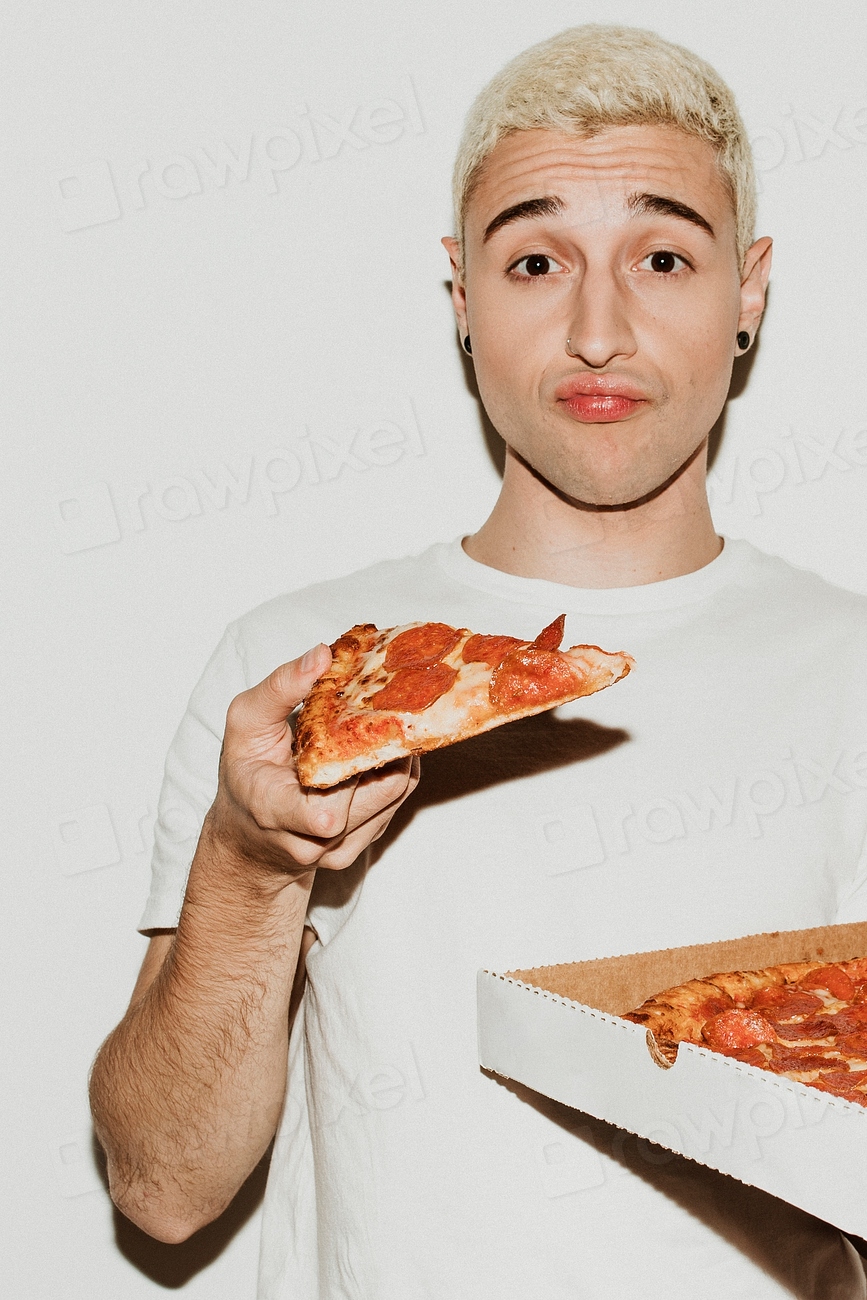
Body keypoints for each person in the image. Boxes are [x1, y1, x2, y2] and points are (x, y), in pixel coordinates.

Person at [89, 24, 867, 1298]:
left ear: (751, 292)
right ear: (462, 295)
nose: (598, 329)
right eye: (537, 260)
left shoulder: (855, 667)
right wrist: (247, 860)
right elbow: (165, 1189)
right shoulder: (298, 678)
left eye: (663, 255)